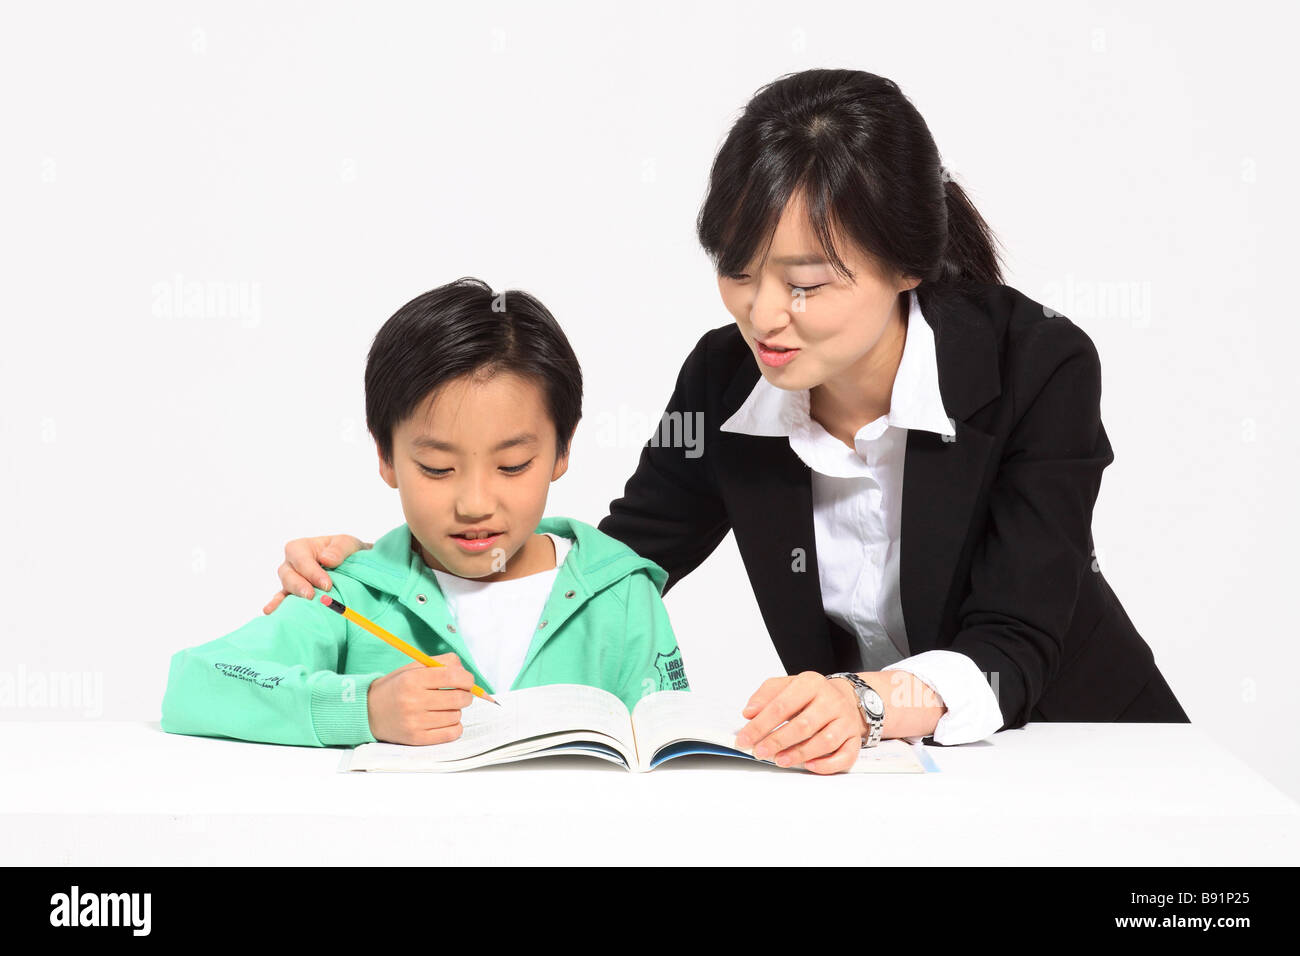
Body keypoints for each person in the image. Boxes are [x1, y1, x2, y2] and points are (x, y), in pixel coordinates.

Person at [261, 68, 1188, 772]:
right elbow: (621, 562)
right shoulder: (722, 376)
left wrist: (862, 704)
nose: (762, 315)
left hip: (1088, 752)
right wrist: (391, 574)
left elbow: (1015, 642)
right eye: (739, 271)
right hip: (887, 781)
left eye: (807, 282)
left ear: (908, 265)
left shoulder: (1039, 365)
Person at [161, 278, 688, 748]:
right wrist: (363, 709)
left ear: (563, 450)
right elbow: (194, 685)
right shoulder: (351, 594)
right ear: (386, 457)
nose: (475, 504)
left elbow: (669, 754)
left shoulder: (622, 597)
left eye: (512, 465)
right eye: (437, 468)